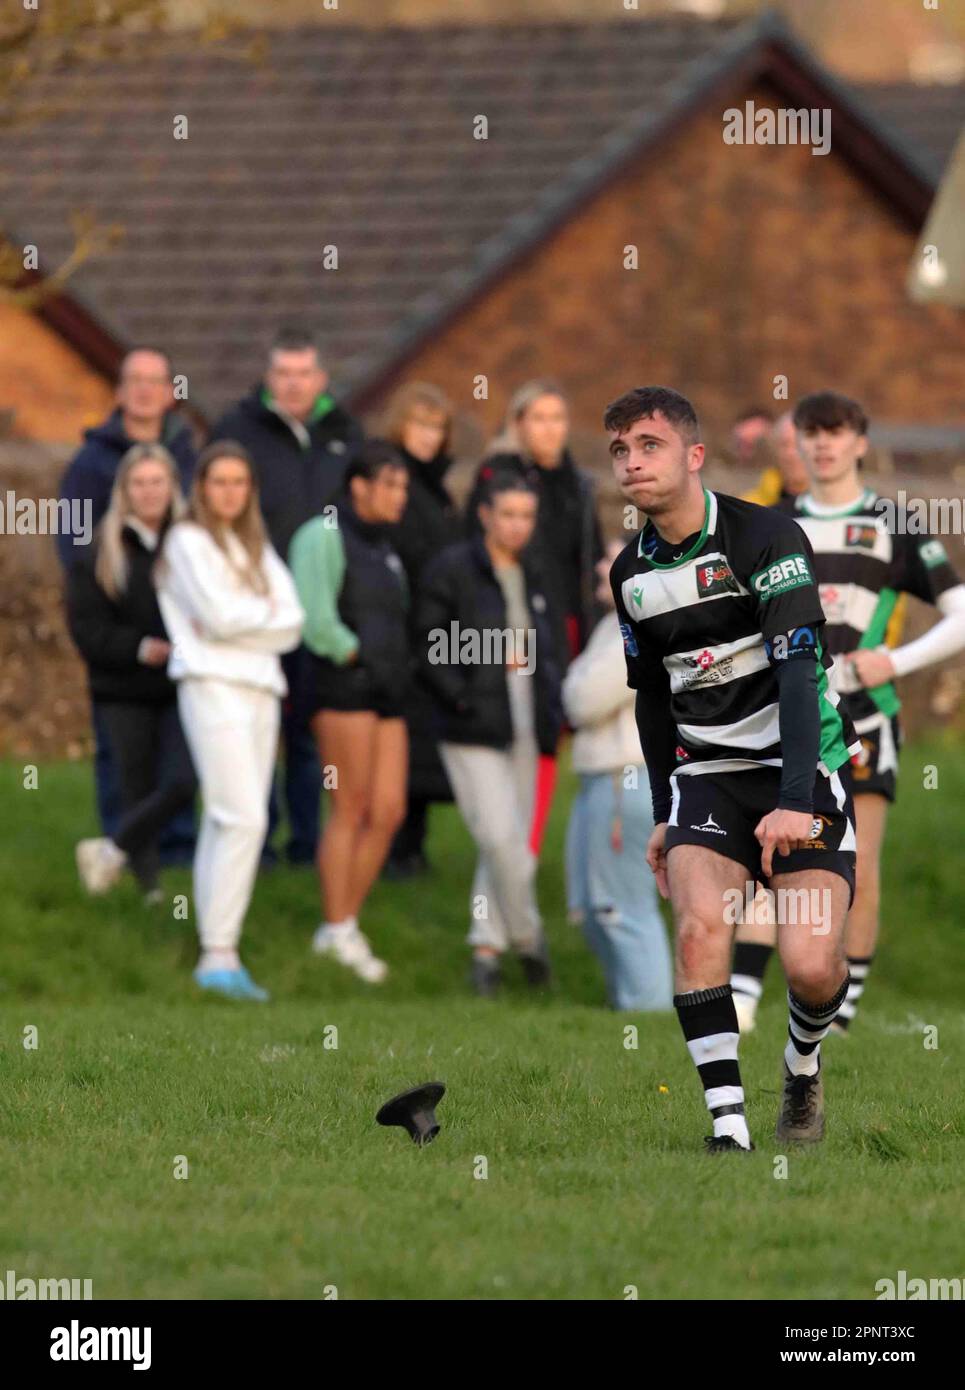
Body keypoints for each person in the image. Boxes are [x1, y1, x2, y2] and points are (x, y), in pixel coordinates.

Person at [608, 385, 861, 1153]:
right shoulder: (629, 573)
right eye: (619, 450)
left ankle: (801, 1065)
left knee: (811, 967)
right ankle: (728, 1129)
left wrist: (793, 798)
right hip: (707, 774)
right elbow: (653, 702)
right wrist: (664, 813)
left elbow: (797, 673)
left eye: (648, 445)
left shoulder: (765, 537)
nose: (631, 462)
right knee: (697, 932)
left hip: (799, 769)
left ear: (693, 455)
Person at [731, 391, 965, 1035]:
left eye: (836, 433)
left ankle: (841, 1013)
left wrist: (897, 660)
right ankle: (744, 998)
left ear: (860, 443)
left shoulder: (893, 523)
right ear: (797, 444)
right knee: (771, 848)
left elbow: (960, 612)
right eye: (812, 433)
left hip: (864, 716)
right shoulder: (770, 524)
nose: (823, 445)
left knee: (858, 858)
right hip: (784, 713)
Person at [156, 441, 304, 1002]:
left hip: (262, 687)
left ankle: (220, 950)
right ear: (201, 486)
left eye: (239, 482)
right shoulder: (186, 541)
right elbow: (216, 620)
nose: (229, 492)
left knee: (232, 822)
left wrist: (249, 622)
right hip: (211, 684)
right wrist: (259, 619)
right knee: (241, 816)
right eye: (219, 481)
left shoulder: (255, 546)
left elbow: (294, 622)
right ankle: (217, 954)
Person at [211, 326, 364, 866]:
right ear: (268, 377)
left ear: (320, 378)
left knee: (307, 731)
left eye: (303, 373)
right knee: (256, 726)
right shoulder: (238, 430)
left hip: (321, 607)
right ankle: (258, 837)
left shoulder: (345, 433)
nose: (294, 384)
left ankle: (306, 841)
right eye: (283, 373)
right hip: (254, 607)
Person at [417, 472, 563, 996]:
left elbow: (550, 649)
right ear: (484, 515)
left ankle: (486, 950)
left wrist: (552, 702)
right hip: (471, 723)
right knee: (500, 837)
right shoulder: (453, 569)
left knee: (509, 842)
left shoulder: (536, 570)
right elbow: (431, 645)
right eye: (508, 514)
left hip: (527, 718)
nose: (518, 526)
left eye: (527, 515)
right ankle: (528, 937)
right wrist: (467, 688)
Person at [57, 347, 196, 848]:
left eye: (154, 381)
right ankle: (120, 850)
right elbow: (73, 547)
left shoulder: (187, 455)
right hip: (117, 637)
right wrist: (108, 614)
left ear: (170, 392)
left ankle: (178, 849)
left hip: (181, 641)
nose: (143, 390)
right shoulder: (89, 464)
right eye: (134, 380)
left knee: (180, 755)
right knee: (122, 757)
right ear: (119, 391)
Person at [289, 441, 411, 984]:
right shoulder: (321, 535)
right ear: (359, 486)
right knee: (350, 806)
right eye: (390, 485)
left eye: (404, 486)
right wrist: (357, 654)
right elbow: (314, 619)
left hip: (387, 691)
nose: (400, 496)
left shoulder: (386, 546)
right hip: (341, 688)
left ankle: (343, 924)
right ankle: (336, 928)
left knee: (388, 810)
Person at [67, 444, 197, 902]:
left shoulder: (193, 543)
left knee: (183, 781)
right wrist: (139, 649)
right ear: (124, 490)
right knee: (136, 786)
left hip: (183, 684)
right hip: (122, 688)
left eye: (157, 481)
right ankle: (150, 889)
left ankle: (109, 851)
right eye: (139, 483)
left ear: (173, 486)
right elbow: (86, 628)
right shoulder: (99, 551)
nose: (149, 492)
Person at [563, 542, 673, 1011]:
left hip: (626, 778)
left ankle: (650, 1014)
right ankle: (627, 1008)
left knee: (622, 906)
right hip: (598, 779)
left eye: (610, 558)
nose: (598, 565)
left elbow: (583, 699)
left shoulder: (644, 622)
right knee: (592, 908)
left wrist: (573, 685)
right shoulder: (611, 625)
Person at [380, 382, 462, 878]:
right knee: (403, 748)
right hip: (406, 630)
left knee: (424, 745)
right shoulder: (396, 481)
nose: (429, 436)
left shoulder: (437, 488)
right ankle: (394, 850)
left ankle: (412, 846)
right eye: (420, 424)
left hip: (436, 630)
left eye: (437, 427)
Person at [465, 381, 602, 671]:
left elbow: (592, 553)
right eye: (539, 418)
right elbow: (474, 547)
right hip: (518, 612)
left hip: (573, 614)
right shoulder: (498, 475)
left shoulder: (578, 483)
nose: (550, 428)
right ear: (518, 423)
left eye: (557, 418)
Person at [743, 411, 808, 507]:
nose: (791, 454)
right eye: (784, 445)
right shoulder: (749, 507)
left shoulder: (830, 506)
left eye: (798, 444)